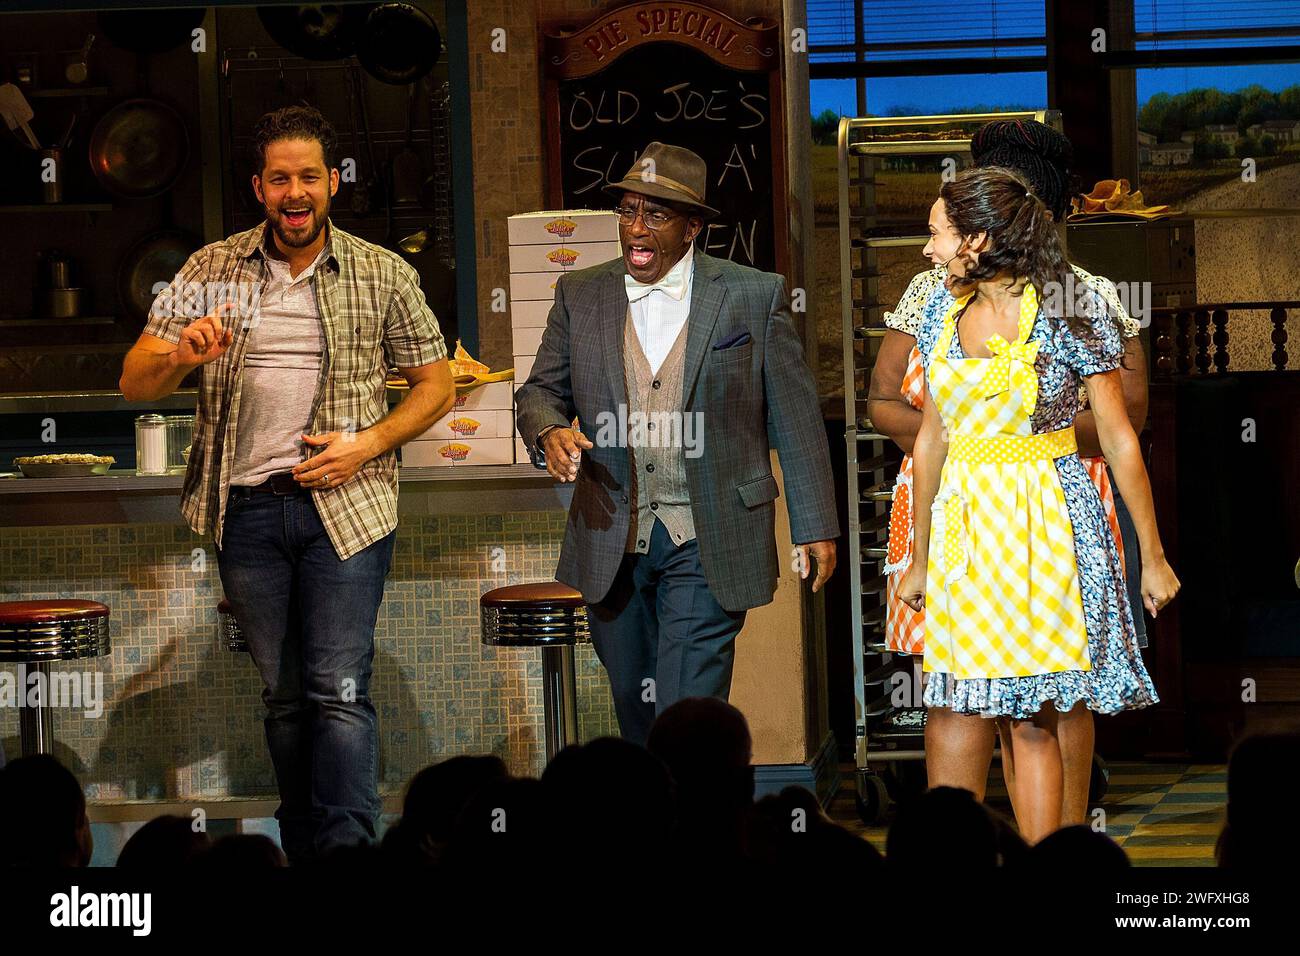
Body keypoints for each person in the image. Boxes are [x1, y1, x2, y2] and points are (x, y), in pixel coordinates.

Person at [119, 105, 454, 862]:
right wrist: (182, 356)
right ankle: (304, 854)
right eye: (279, 179)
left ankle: (346, 857)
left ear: (333, 182)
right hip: (246, 511)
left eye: (309, 176)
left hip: (347, 506)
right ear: (258, 188)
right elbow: (135, 380)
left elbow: (435, 386)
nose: (294, 192)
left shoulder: (382, 271)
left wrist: (365, 444)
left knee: (338, 689)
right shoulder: (210, 270)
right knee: (284, 697)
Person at [869, 120, 1149, 825]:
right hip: (950, 506)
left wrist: (1024, 441)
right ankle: (951, 850)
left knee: (1053, 697)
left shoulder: (1079, 294)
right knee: (955, 688)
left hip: (1048, 502)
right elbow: (888, 401)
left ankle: (1056, 848)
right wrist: (964, 452)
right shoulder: (936, 293)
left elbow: (1125, 421)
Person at [515, 142, 839, 746]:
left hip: (708, 532)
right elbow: (538, 392)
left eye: (655, 215)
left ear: (692, 227)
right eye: (628, 212)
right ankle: (657, 831)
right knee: (637, 713)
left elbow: (794, 418)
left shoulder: (751, 295)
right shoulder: (580, 293)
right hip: (613, 532)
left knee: (687, 711)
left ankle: (697, 832)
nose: (636, 229)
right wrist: (550, 429)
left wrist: (814, 523)